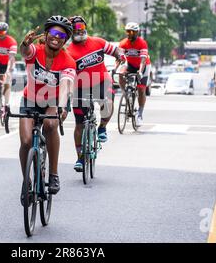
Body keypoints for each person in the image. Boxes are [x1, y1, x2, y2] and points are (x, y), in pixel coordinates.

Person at [18, 15, 76, 197]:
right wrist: (25, 44)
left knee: (51, 126)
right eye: (53, 32)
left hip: (53, 102)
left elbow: (66, 85)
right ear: (46, 33)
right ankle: (26, 181)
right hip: (30, 100)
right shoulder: (37, 51)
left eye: (62, 35)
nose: (56, 37)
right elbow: (25, 51)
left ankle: (53, 174)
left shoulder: (68, 61)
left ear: (65, 40)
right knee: (26, 142)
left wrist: (62, 107)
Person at [66, 16, 125, 172]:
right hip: (80, 88)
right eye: (76, 30)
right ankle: (79, 157)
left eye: (82, 28)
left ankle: (102, 128)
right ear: (71, 32)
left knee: (108, 102)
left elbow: (115, 50)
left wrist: (120, 55)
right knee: (79, 124)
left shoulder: (98, 42)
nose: (80, 31)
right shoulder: (68, 51)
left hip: (101, 82)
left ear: (86, 28)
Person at [118, 22, 152, 126]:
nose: (130, 33)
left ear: (137, 32)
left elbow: (142, 60)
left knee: (141, 90)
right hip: (131, 65)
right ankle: (125, 92)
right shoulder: (123, 43)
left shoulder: (142, 43)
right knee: (120, 73)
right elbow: (120, 59)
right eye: (128, 31)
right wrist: (116, 68)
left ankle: (140, 114)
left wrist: (140, 72)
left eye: (132, 31)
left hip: (144, 66)